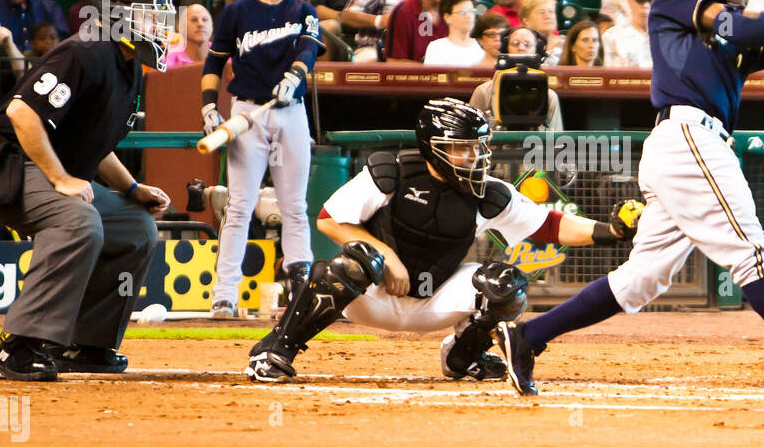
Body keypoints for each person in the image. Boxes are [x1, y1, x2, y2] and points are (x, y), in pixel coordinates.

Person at [490, 0, 764, 399]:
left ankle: (527, 338)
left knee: (643, 278)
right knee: (754, 255)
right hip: (689, 139)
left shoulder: (734, 38)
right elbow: (737, 22)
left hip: (687, 146)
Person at [242, 98, 636, 382]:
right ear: (435, 148)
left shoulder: (488, 191)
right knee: (350, 261)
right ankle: (275, 350)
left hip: (434, 300)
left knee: (507, 285)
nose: (475, 156)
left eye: (477, 148)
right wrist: (386, 254)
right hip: (373, 297)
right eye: (463, 148)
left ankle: (463, 357)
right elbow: (330, 220)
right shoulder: (391, 171)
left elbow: (549, 227)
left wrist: (612, 231)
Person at [0, 0, 173, 381]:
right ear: (119, 16)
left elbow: (97, 143)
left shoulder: (128, 67)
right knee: (78, 220)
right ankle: (18, 347)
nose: (159, 27)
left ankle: (88, 344)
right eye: (150, 17)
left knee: (135, 227)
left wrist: (131, 188)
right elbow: (22, 113)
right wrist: (60, 179)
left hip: (37, 163)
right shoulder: (85, 51)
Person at [202, 0, 321, 318]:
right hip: (247, 113)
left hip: (291, 110)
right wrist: (208, 105)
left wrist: (295, 75)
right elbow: (213, 64)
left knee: (294, 207)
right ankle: (224, 294)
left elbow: (308, 50)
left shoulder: (303, 10)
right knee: (239, 206)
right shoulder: (236, 13)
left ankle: (300, 287)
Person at [424, 0, 487, 66]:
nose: (468, 16)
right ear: (447, 18)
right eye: (463, 12)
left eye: (471, 11)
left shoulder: (483, 47)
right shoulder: (437, 48)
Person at [602, 0, 654, 67]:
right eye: (640, 0)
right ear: (629, 2)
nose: (645, 5)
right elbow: (608, 73)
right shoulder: (611, 35)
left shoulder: (667, 36)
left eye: (650, 1)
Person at [167, 3, 214, 69]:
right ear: (180, 27)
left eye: (204, 20)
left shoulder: (225, 54)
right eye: (194, 20)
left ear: (212, 27)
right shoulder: (167, 60)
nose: (200, 24)